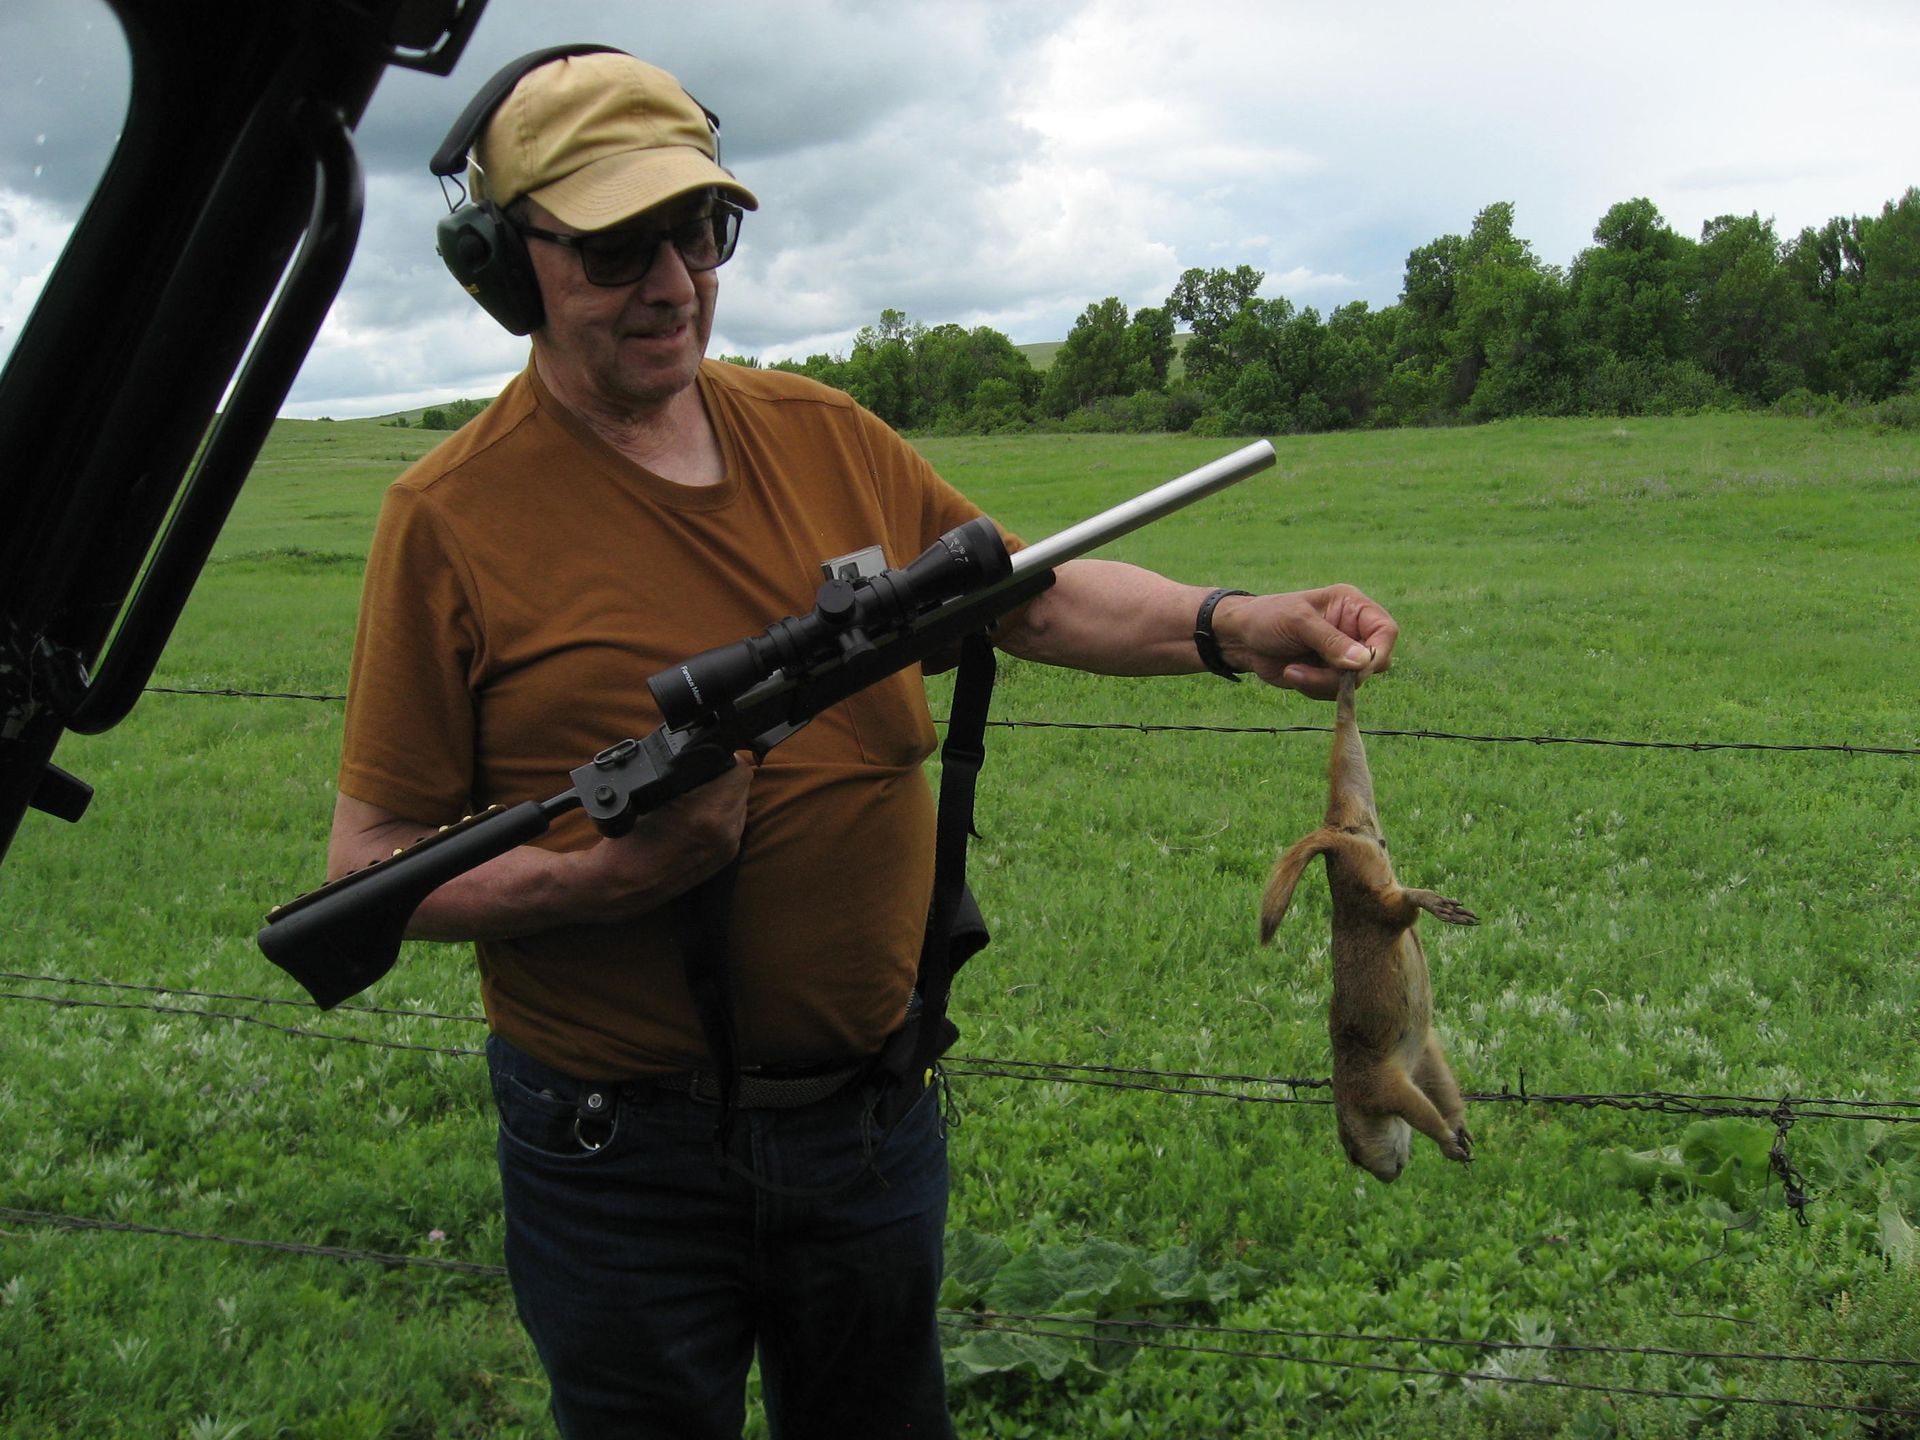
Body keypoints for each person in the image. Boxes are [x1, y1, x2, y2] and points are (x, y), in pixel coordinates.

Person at [329, 48, 1399, 1440]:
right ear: (504, 262)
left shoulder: (818, 431)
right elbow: (371, 866)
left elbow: (1022, 589)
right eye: (611, 246)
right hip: (616, 1155)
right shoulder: (449, 519)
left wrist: (1233, 622)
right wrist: (605, 882)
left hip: (872, 1121)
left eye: (699, 232)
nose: (671, 283)